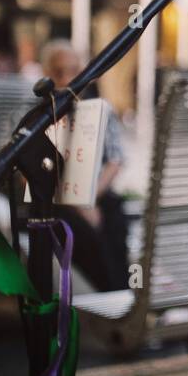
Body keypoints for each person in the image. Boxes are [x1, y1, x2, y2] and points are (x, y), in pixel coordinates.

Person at [40, 40, 131, 291]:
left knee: (113, 224)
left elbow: (115, 160)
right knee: (79, 230)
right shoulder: (36, 116)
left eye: (74, 71)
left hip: (96, 195)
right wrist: (78, 202)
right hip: (56, 201)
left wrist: (88, 197)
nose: (68, 79)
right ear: (46, 75)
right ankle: (109, 299)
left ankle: (120, 298)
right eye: (59, 72)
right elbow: (29, 174)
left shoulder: (101, 111)